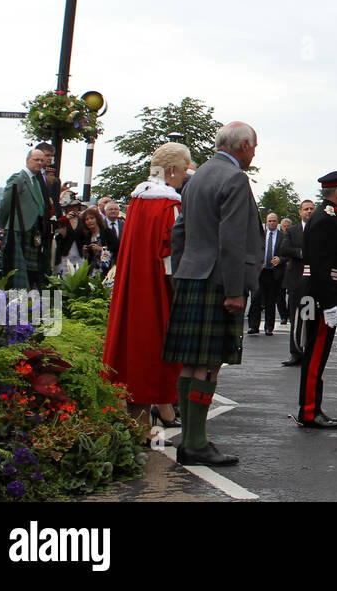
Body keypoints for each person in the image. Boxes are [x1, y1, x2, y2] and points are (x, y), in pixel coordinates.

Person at [161, 122, 262, 467]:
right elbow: (232, 239)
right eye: (254, 146)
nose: (254, 152)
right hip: (218, 281)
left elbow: (180, 232)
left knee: (191, 363)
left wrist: (182, 270)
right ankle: (197, 442)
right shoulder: (234, 179)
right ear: (243, 145)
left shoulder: (197, 176)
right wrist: (235, 290)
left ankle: (190, 441)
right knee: (208, 363)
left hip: (191, 275)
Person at [103, 143, 192, 429]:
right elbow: (171, 259)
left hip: (134, 288)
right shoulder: (169, 206)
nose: (188, 171)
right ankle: (144, 428)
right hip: (156, 292)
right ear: (172, 170)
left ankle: (139, 424)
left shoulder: (138, 200)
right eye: (186, 165)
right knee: (154, 357)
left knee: (134, 354)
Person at [296, 171, 337, 429]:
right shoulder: (325, 219)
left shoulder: (331, 217)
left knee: (316, 355)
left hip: (323, 294)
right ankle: (309, 411)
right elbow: (320, 267)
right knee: (315, 355)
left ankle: (311, 408)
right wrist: (329, 303)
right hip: (322, 296)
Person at [0, 147, 51, 289]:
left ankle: (26, 303)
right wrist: (3, 224)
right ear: (28, 161)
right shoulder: (19, 178)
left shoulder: (37, 182)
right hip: (17, 229)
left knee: (30, 272)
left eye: (42, 160)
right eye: (36, 160)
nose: (39, 163)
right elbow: (5, 203)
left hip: (33, 232)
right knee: (16, 271)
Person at [278, 199, 313, 367]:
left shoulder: (319, 230)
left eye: (312, 209)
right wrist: (301, 253)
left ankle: (308, 352)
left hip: (312, 282)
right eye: (306, 209)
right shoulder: (292, 231)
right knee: (295, 317)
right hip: (295, 280)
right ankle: (295, 353)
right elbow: (284, 249)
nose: (309, 211)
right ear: (300, 212)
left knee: (309, 316)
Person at [248, 213, 285, 336]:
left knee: (270, 300)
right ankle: (253, 326)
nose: (272, 223)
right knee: (255, 299)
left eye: (274, 221)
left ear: (277, 222)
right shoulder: (260, 235)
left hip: (274, 272)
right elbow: (252, 250)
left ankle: (269, 327)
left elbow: (286, 253)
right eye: (269, 221)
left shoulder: (283, 237)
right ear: (266, 222)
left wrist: (280, 259)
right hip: (260, 272)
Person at [74, 206, 119, 275]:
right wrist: (84, 251)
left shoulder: (107, 232)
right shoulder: (87, 236)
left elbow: (116, 248)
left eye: (92, 218)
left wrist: (101, 249)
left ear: (97, 219)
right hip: (92, 271)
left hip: (108, 269)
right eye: (86, 219)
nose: (89, 221)